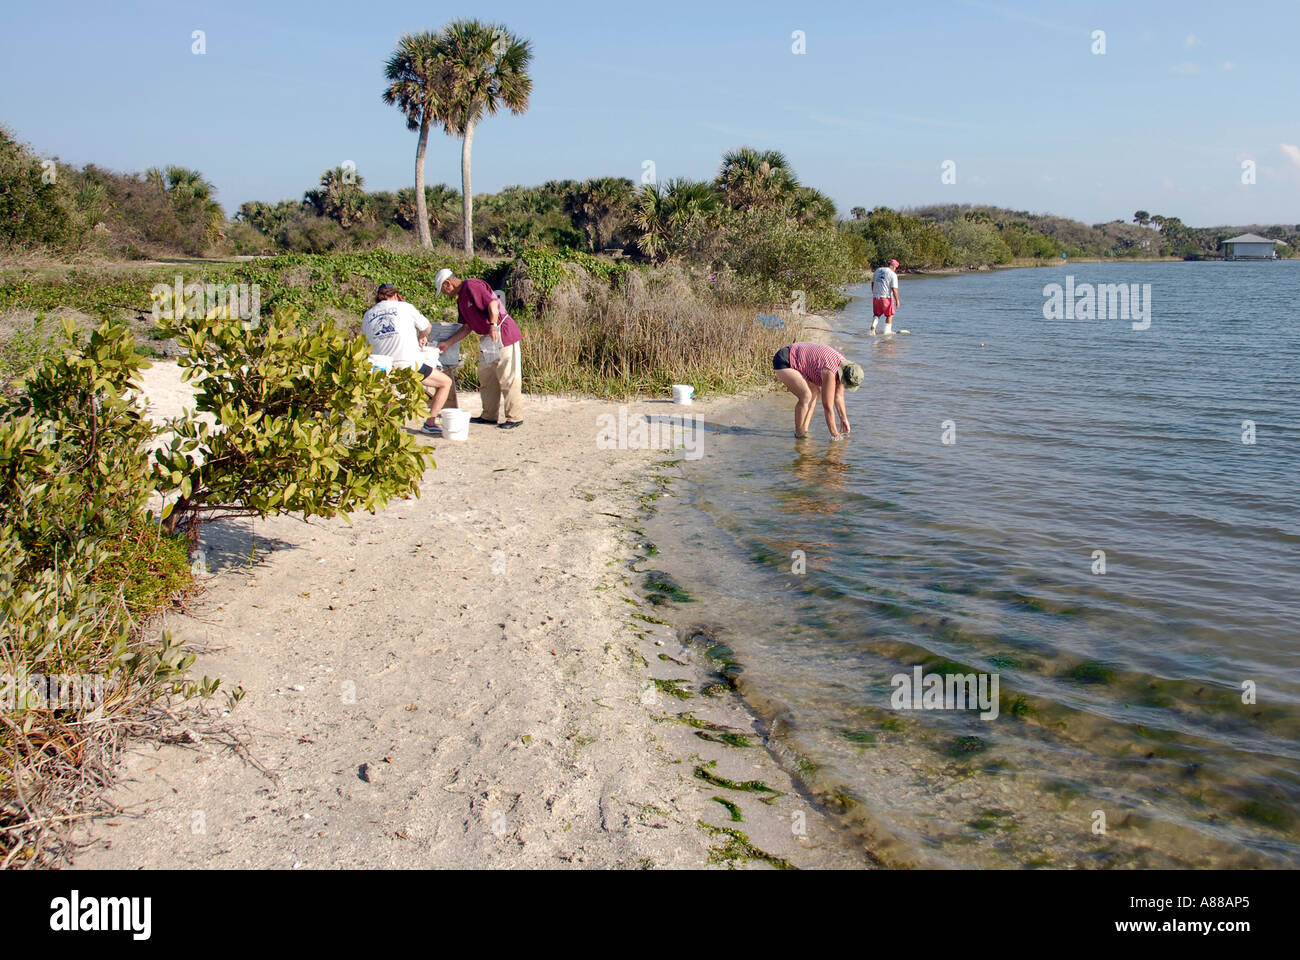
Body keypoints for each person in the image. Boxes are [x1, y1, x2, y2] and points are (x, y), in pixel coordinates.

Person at [432, 269, 524, 429]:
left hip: (501, 331)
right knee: (486, 375)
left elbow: (493, 303)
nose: (445, 294)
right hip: (488, 337)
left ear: (448, 283)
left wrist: (493, 326)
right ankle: (489, 415)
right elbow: (467, 327)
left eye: (444, 290)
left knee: (508, 374)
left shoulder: (471, 285)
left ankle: (514, 417)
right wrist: (448, 342)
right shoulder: (461, 299)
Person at [361, 283, 453, 437]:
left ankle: (381, 425)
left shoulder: (368, 315)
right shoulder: (405, 307)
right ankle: (430, 423)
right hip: (408, 365)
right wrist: (423, 335)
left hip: (381, 368)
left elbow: (366, 344)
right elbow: (427, 326)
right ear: (396, 296)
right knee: (445, 383)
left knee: (386, 394)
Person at [772, 341, 863, 439]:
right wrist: (835, 434)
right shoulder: (830, 371)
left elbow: (839, 396)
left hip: (797, 355)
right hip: (785, 360)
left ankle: (804, 430)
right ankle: (799, 435)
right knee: (806, 395)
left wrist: (844, 419)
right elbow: (827, 406)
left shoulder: (846, 368)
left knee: (815, 393)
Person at [870, 258, 901, 335]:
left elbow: (873, 283)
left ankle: (873, 327)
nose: (895, 270)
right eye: (895, 268)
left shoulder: (878, 270)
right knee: (889, 315)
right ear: (894, 267)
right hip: (886, 297)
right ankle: (887, 332)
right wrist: (897, 300)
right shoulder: (893, 274)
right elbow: (894, 289)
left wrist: (874, 293)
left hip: (876, 296)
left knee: (877, 314)